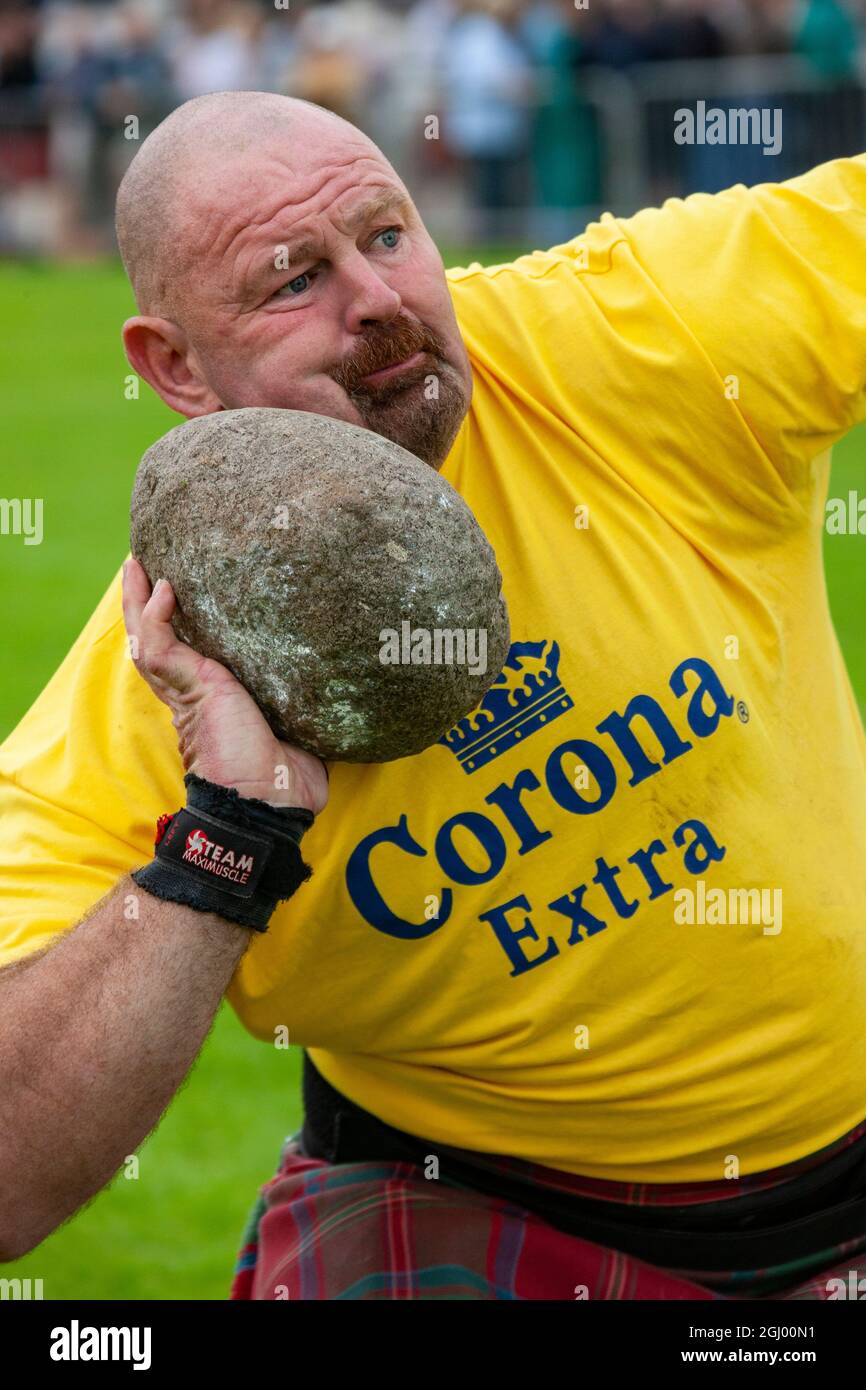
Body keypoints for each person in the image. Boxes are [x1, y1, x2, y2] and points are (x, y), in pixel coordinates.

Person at [2, 90, 866, 1301]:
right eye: (293, 278)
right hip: (479, 1201)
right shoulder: (151, 685)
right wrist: (226, 837)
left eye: (389, 234)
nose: (380, 300)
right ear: (175, 366)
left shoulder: (630, 341)